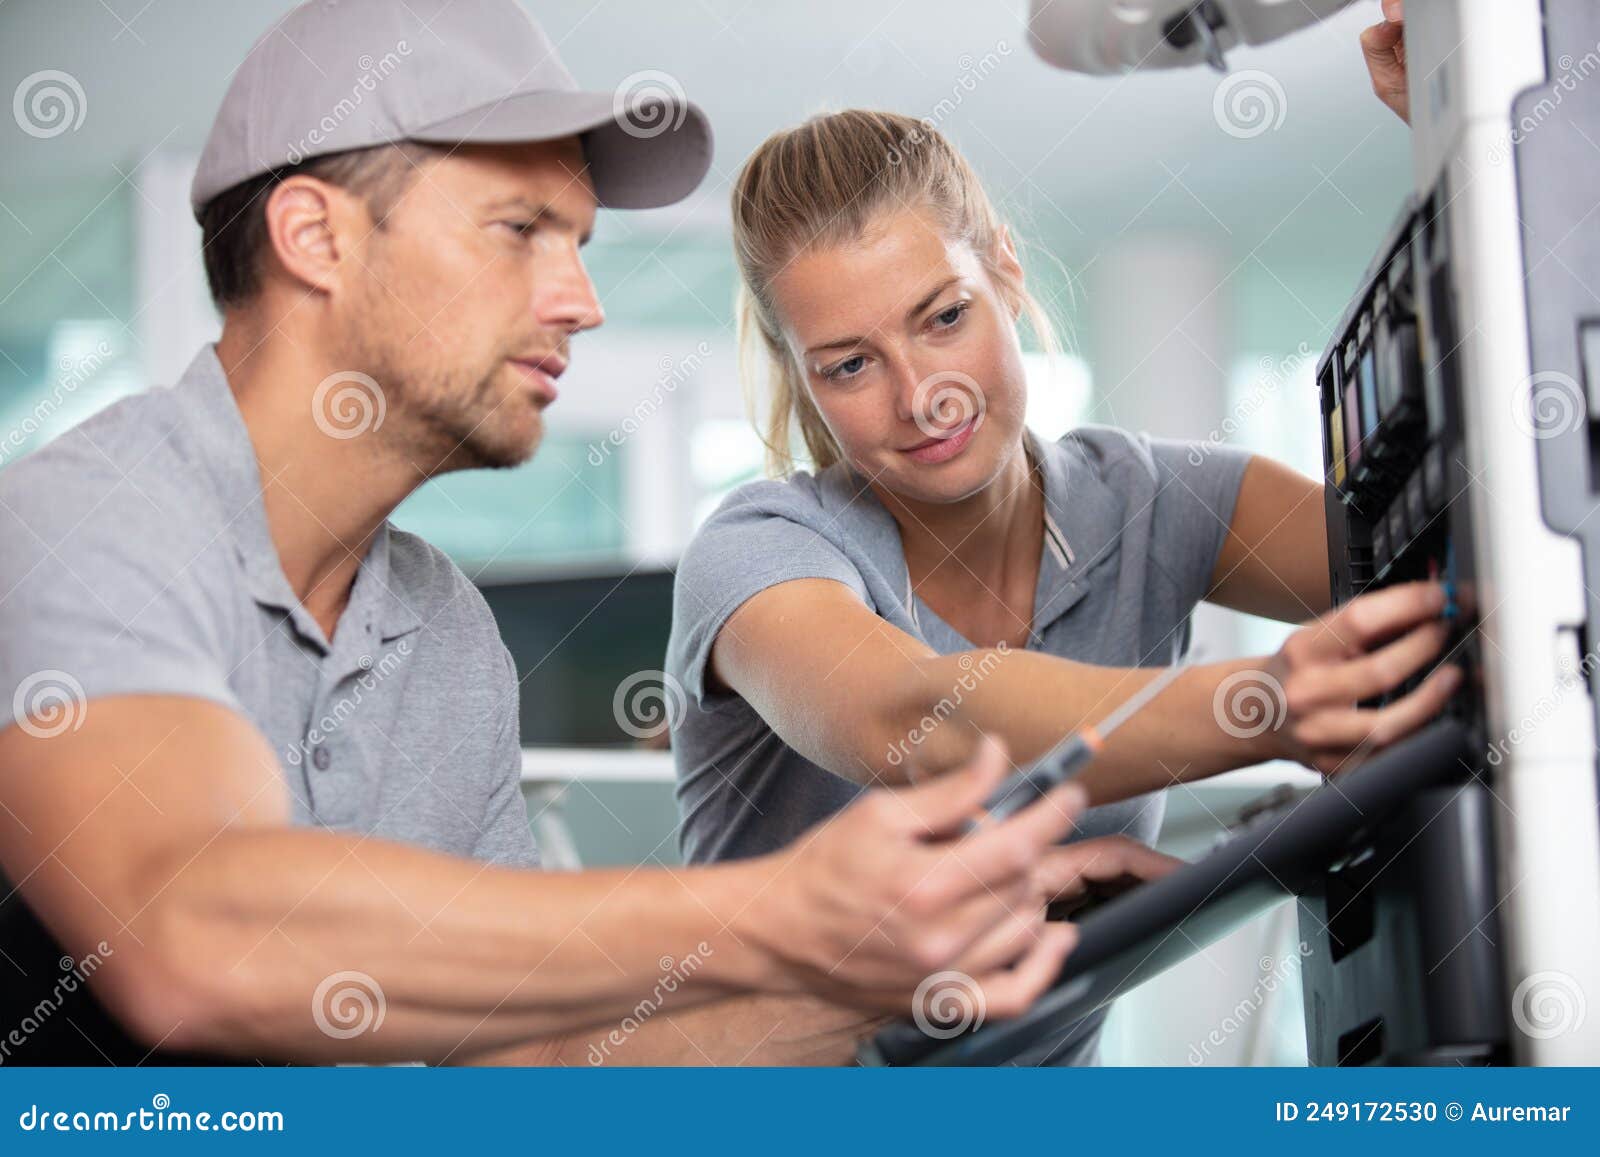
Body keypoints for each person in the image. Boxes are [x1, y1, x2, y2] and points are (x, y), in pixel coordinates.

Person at [0, 0, 1122, 1067]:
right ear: (315, 236)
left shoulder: (444, 634)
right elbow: (194, 936)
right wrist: (784, 905)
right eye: (522, 230)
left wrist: (914, 957)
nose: (582, 299)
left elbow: (526, 1064)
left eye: (577, 240)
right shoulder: (83, 519)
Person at [666, 6, 1434, 1066]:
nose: (921, 394)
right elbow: (912, 717)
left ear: (1007, 273)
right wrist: (1264, 705)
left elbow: (1464, 546)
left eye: (944, 317)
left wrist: (1458, 139)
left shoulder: (1157, 503)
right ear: (804, 380)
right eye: (849, 364)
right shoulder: (760, 548)